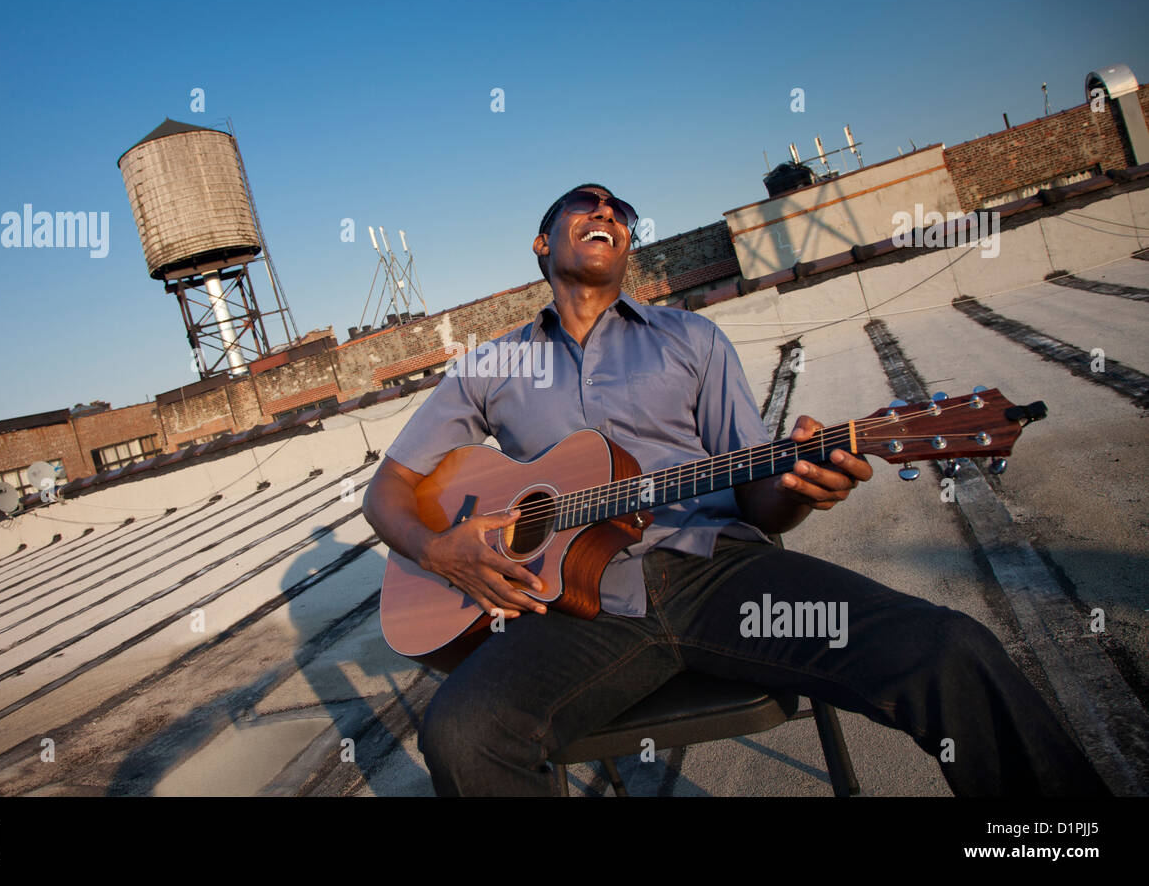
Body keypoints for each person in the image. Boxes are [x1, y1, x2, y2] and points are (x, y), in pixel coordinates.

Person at [362, 183, 1110, 797]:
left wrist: (800, 487)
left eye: (621, 212)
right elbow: (388, 491)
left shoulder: (691, 339)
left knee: (951, 649)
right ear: (542, 242)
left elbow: (759, 493)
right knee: (459, 734)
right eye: (586, 204)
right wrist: (439, 549)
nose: (608, 215)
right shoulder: (491, 366)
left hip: (722, 576)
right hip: (575, 610)